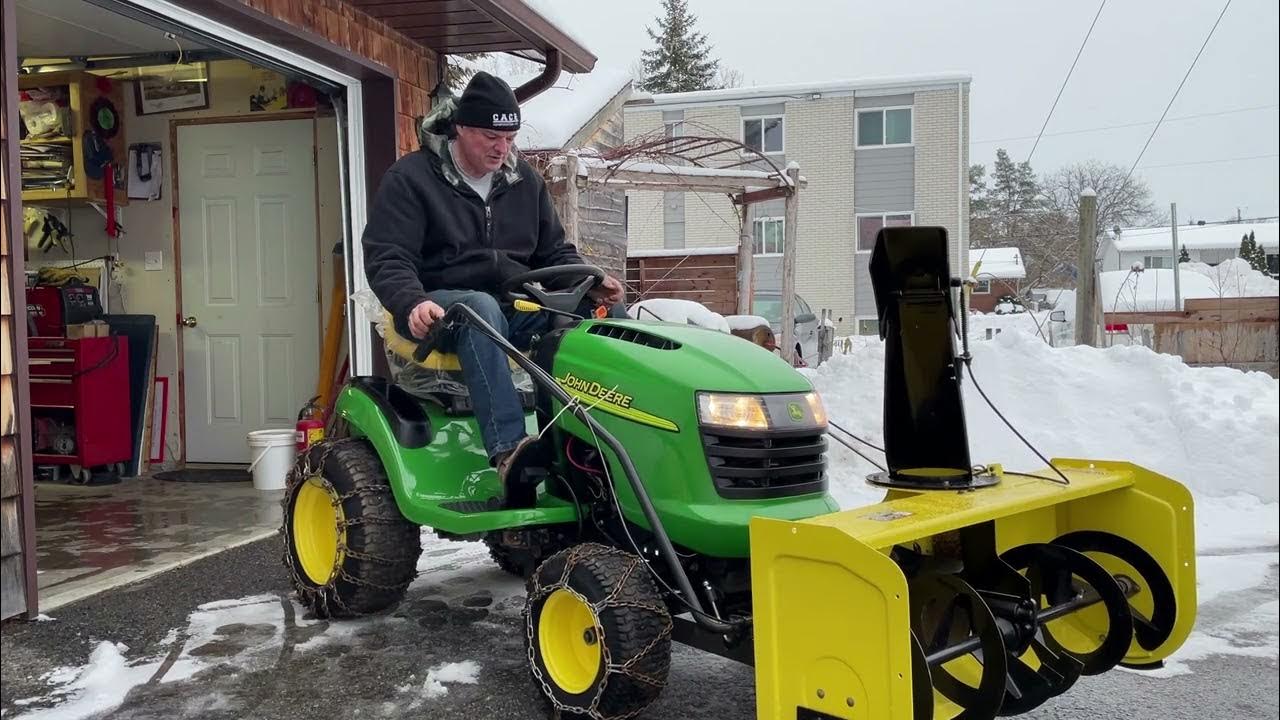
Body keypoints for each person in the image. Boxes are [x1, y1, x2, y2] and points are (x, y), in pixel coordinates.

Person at [361, 71, 626, 489]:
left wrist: (591, 281)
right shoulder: (411, 179)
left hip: (511, 305)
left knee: (601, 313)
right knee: (479, 308)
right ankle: (509, 452)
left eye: (510, 138)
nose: (502, 148)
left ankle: (601, 439)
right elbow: (387, 256)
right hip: (436, 310)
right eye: (490, 136)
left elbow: (553, 251)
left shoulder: (525, 182)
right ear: (461, 128)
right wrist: (411, 302)